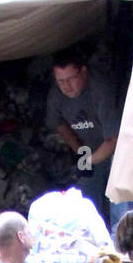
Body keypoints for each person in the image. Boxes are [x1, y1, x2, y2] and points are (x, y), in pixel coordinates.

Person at [46, 48, 121, 223]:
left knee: (119, 196)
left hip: (117, 148)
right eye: (61, 81)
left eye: (72, 79)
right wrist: (79, 150)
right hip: (90, 148)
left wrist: (89, 160)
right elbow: (58, 124)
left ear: (84, 71)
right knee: (87, 193)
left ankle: (119, 238)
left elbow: (114, 139)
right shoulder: (56, 94)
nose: (67, 86)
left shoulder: (101, 90)